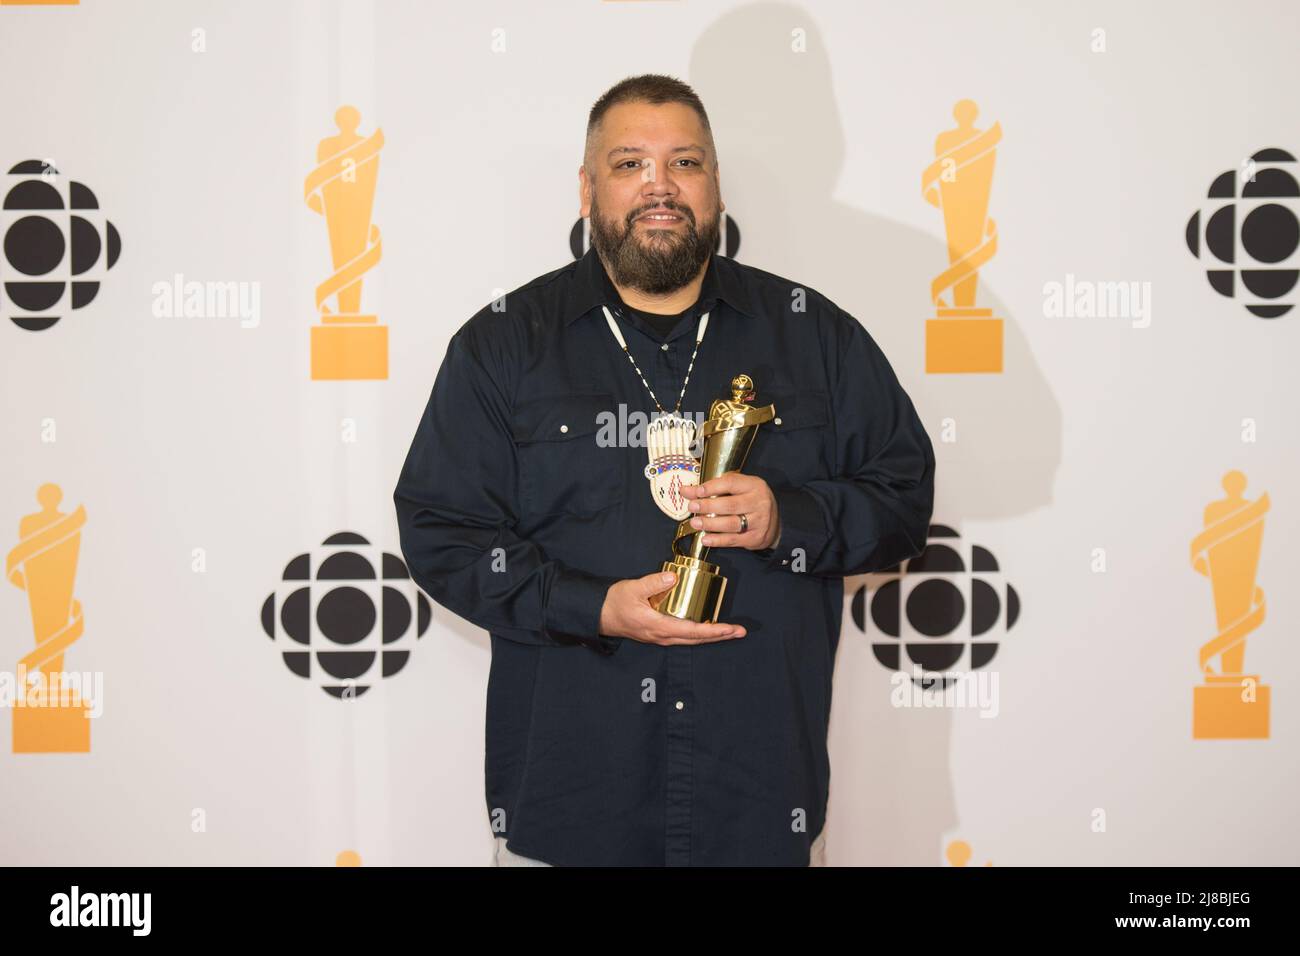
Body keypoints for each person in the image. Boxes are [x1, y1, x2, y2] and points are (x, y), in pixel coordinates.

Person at [393, 74, 935, 866]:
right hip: (570, 807)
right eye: (628, 164)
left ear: (716, 184)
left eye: (685, 163)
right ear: (586, 188)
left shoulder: (814, 337)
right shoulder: (504, 345)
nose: (659, 187)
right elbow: (442, 532)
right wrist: (592, 606)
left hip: (756, 801)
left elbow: (904, 498)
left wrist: (791, 519)